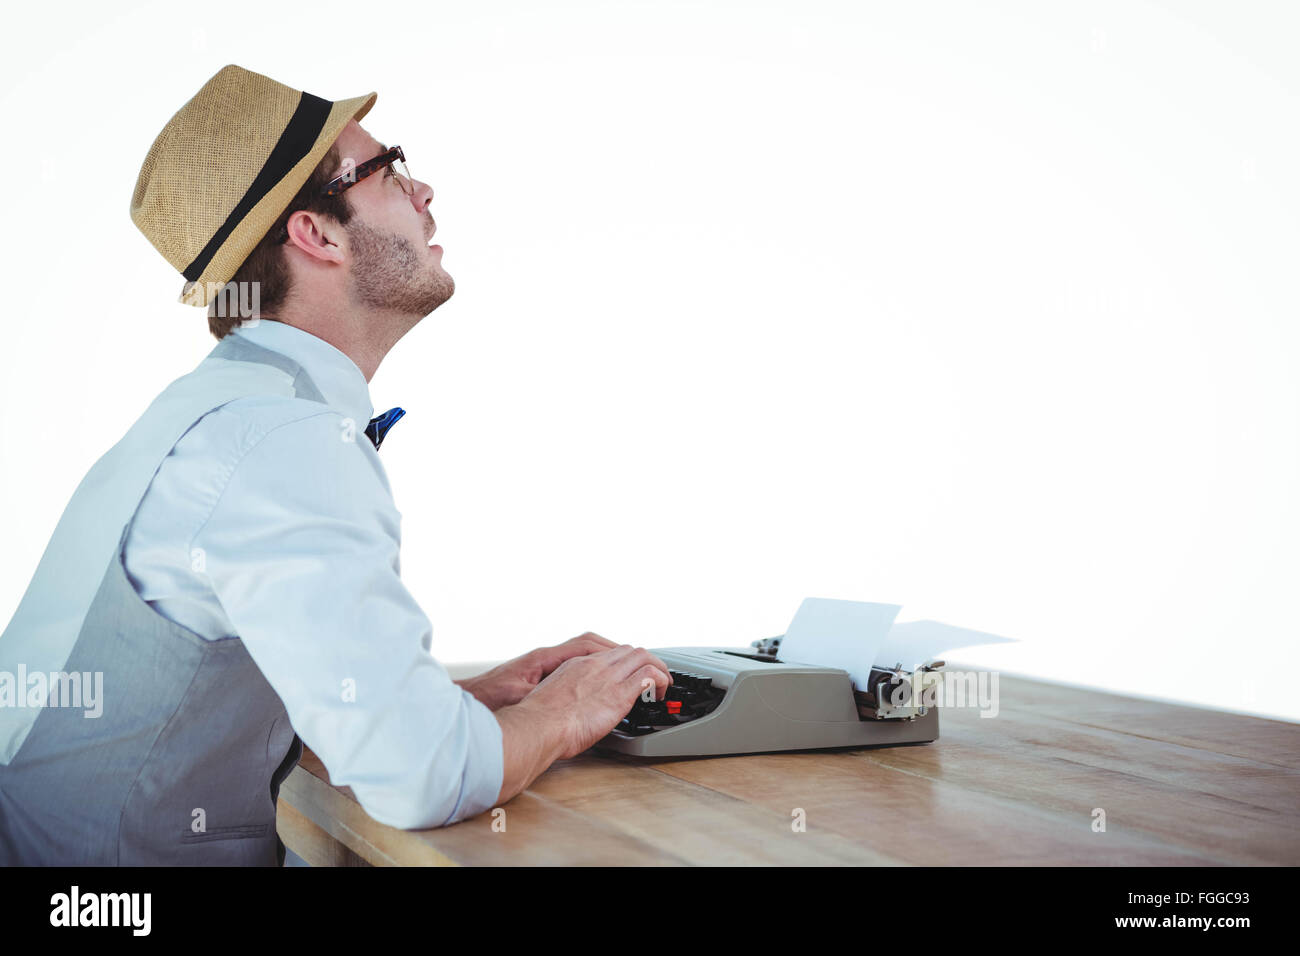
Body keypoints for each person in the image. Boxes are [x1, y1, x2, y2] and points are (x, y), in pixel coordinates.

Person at [0, 64, 670, 865]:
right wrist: (568, 710)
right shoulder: (281, 441)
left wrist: (461, 700)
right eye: (393, 170)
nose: (425, 196)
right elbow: (424, 777)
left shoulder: (220, 411)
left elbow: (252, 685)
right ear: (316, 234)